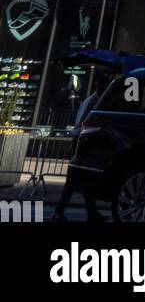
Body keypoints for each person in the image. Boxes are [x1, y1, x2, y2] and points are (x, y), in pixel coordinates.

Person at [52, 87, 104, 222]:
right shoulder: (93, 102)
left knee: (82, 179)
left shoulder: (90, 100)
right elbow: (83, 122)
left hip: (81, 141)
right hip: (82, 142)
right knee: (74, 180)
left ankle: (91, 212)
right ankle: (59, 211)